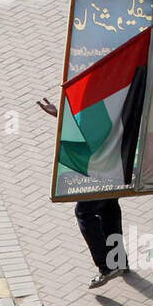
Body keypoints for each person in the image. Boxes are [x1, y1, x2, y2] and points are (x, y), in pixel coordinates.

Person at [37, 96, 125, 289]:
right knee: (109, 207)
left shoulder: (94, 102)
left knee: (84, 212)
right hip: (117, 164)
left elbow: (82, 134)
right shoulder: (115, 97)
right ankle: (119, 260)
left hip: (100, 169)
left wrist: (59, 115)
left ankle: (106, 265)